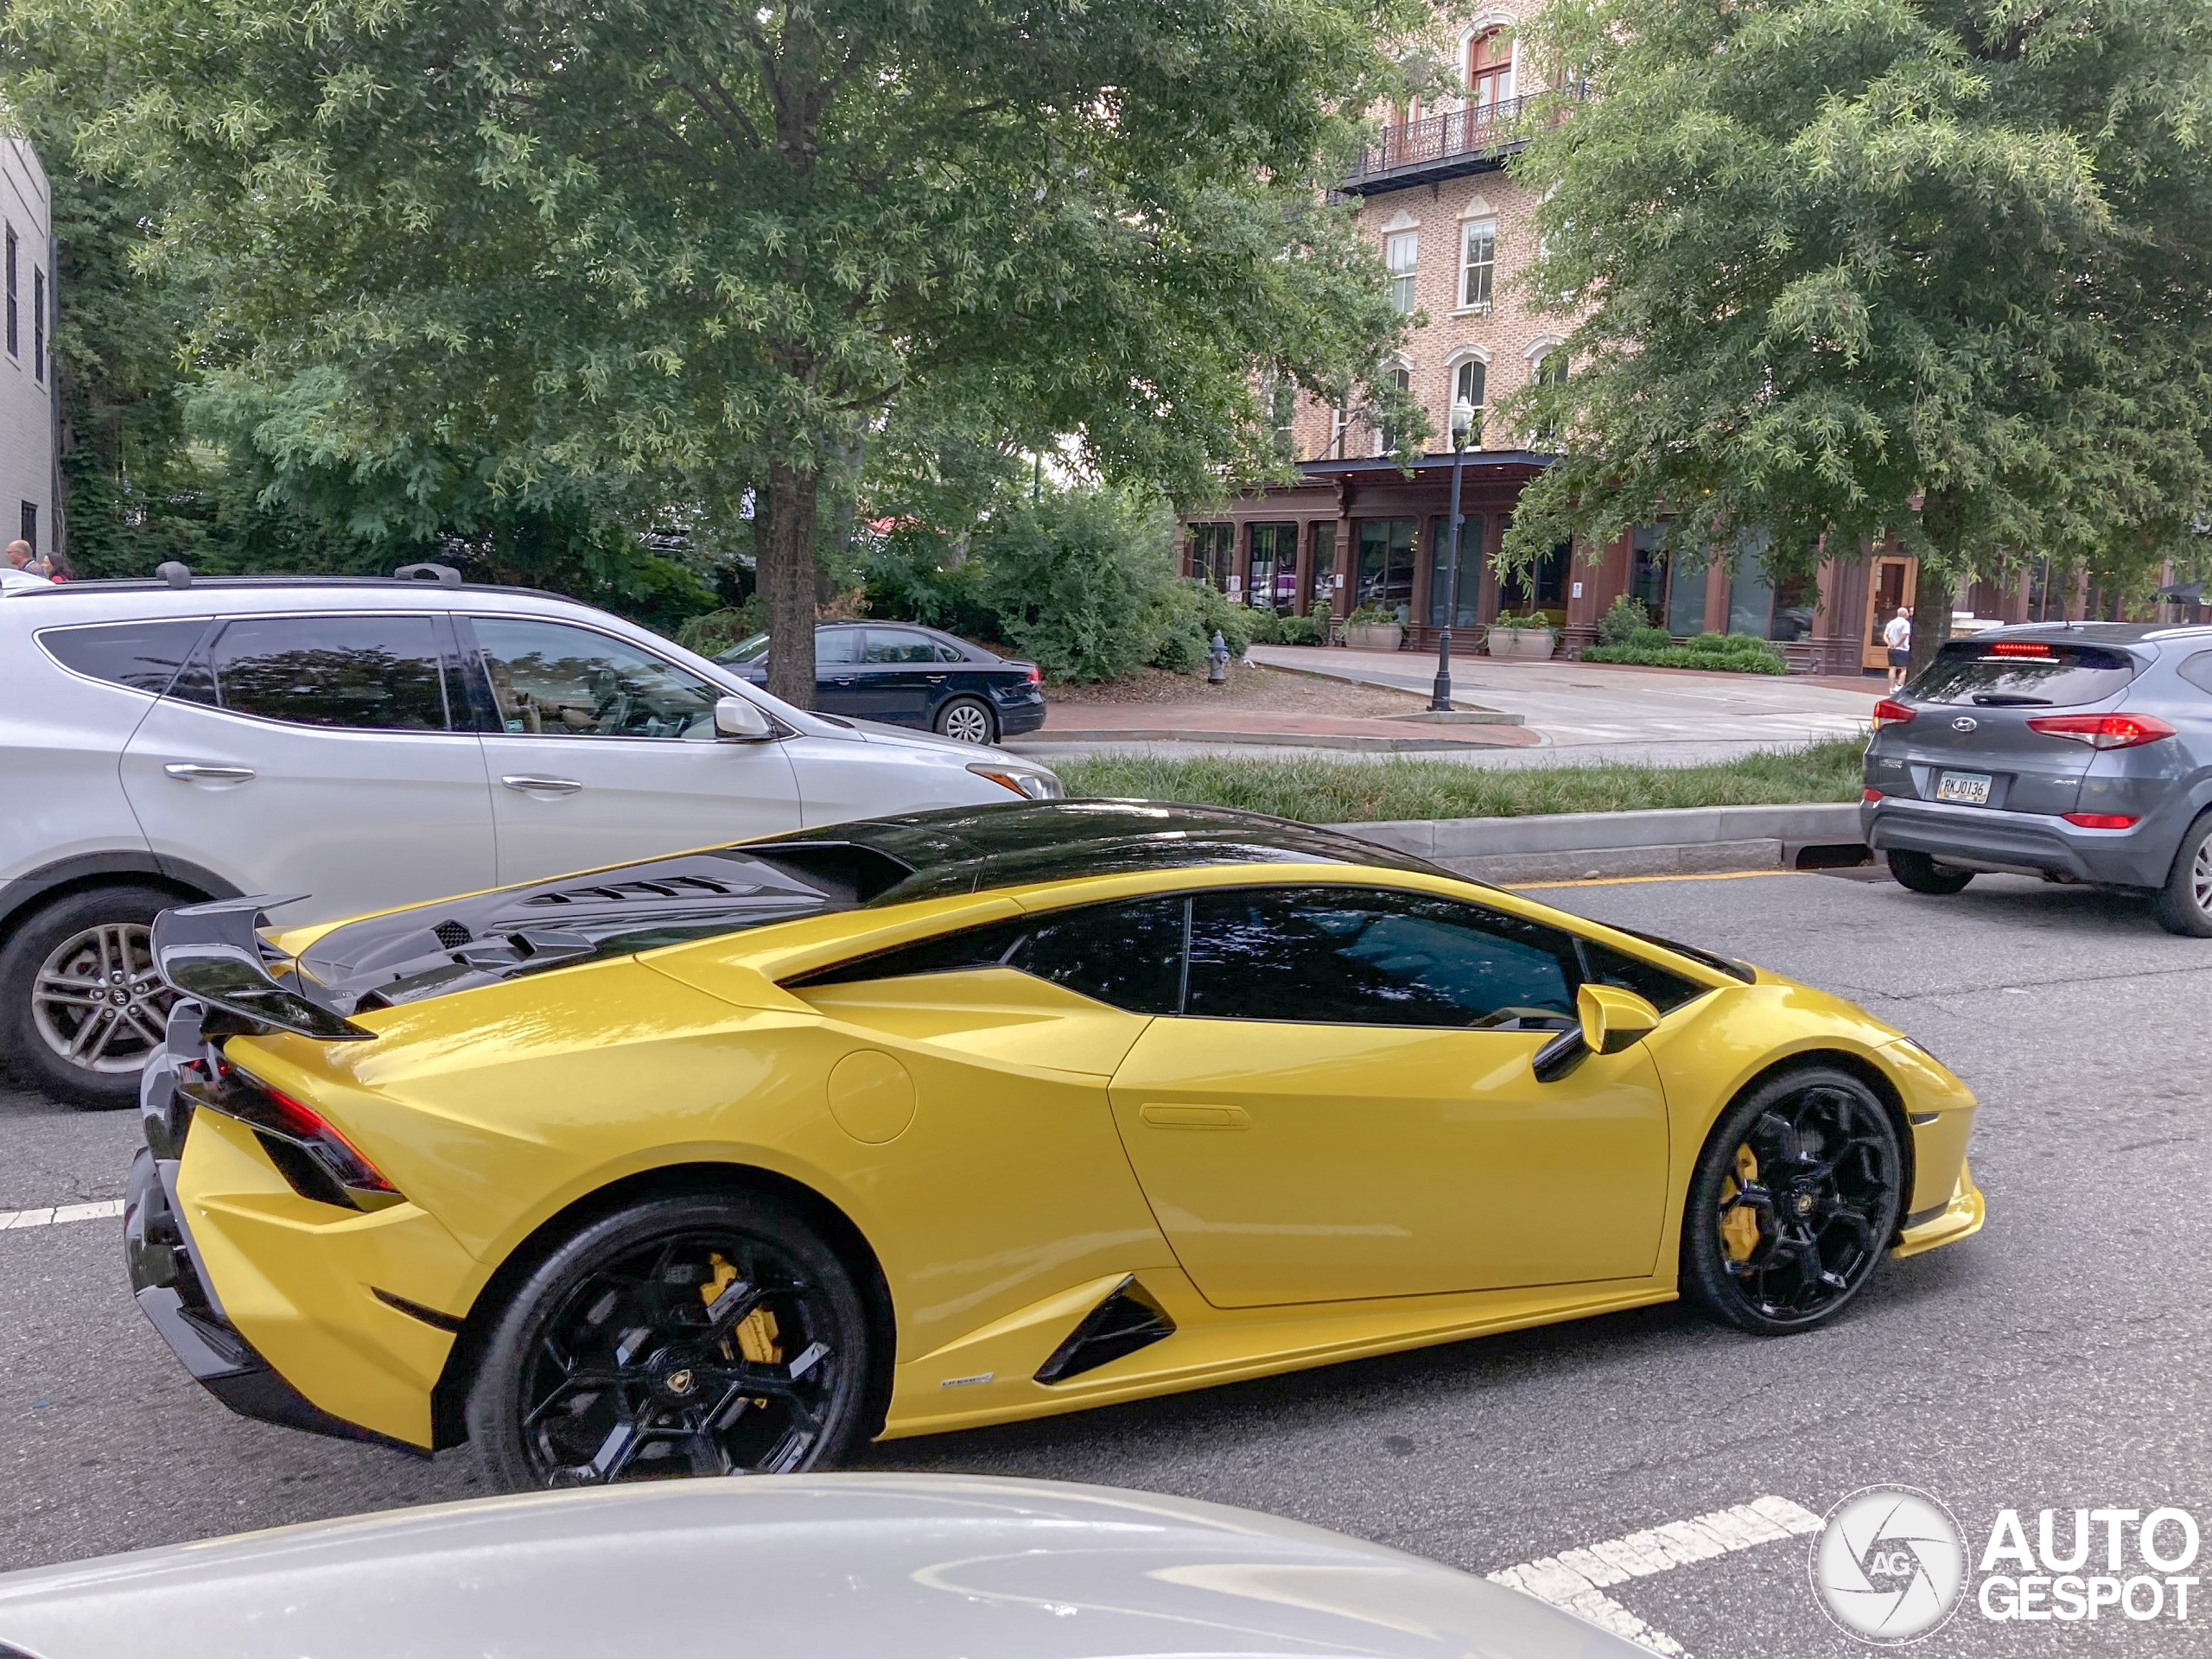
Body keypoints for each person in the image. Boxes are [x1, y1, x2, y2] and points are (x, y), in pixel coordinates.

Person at [1882, 604, 1912, 690]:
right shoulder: (1905, 623)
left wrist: (1889, 644)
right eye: (1907, 613)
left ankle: (1891, 687)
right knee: (1905, 668)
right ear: (1905, 614)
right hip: (1902, 649)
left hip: (1891, 649)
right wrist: (1897, 645)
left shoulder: (1891, 623)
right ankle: (1899, 685)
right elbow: (1904, 636)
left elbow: (1885, 635)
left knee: (1892, 668)